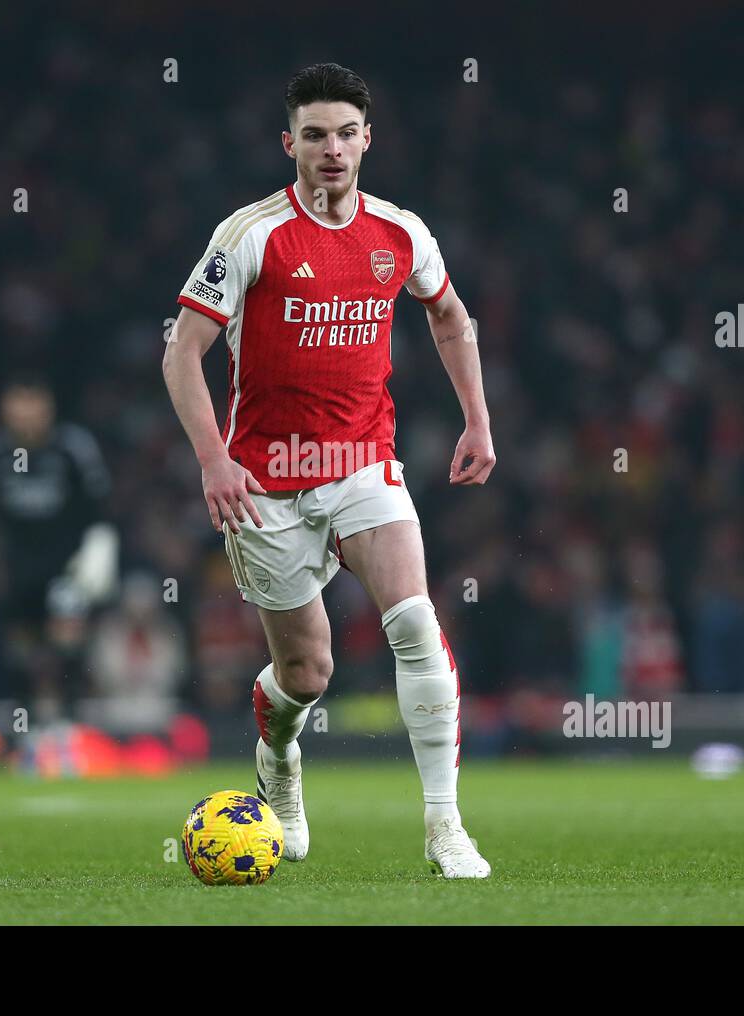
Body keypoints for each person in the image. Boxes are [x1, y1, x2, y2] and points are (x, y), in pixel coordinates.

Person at [162, 63, 495, 877]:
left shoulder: (400, 233)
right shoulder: (249, 235)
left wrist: (478, 419)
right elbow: (181, 353)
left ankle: (445, 827)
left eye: (346, 134)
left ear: (367, 140)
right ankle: (277, 757)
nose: (332, 149)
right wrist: (213, 461)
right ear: (291, 145)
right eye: (315, 135)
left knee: (414, 623)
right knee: (308, 673)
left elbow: (450, 315)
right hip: (265, 481)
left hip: (362, 462)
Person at [0, 374, 118, 722]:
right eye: (18, 405)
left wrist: (100, 549)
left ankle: (70, 724)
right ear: (5, 409)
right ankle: (25, 728)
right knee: (20, 651)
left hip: (67, 567)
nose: (27, 415)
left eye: (34, 405)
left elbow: (100, 507)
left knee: (67, 642)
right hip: (16, 569)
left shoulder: (73, 449)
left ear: (49, 408)